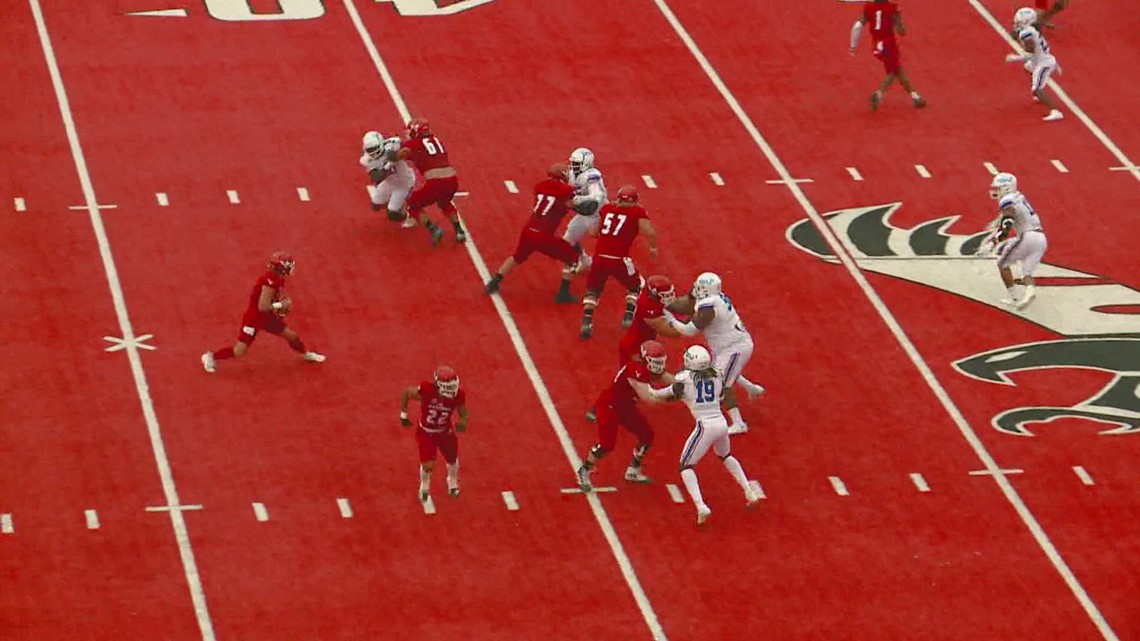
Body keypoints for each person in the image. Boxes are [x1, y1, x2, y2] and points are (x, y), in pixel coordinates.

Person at [650, 345, 761, 526]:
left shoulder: (684, 379)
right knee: (726, 456)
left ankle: (701, 506)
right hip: (721, 422)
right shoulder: (717, 375)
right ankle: (749, 491)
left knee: (686, 466)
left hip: (705, 426)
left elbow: (667, 393)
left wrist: (652, 392)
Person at [667, 273, 765, 435]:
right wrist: (667, 304)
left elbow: (689, 330)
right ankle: (752, 389)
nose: (696, 289)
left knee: (721, 383)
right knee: (723, 371)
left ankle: (739, 423)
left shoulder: (709, 308)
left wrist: (670, 319)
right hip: (727, 346)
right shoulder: (713, 298)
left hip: (734, 348)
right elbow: (689, 305)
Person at [201, 252, 325, 372]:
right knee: (239, 351)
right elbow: (263, 306)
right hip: (255, 319)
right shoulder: (270, 281)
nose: (290, 267)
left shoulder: (278, 278)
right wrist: (281, 305)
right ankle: (211, 357)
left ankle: (305, 354)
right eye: (287, 264)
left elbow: (273, 299)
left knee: (292, 336)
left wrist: (282, 304)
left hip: (267, 317)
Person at [576, 341, 671, 490]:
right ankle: (585, 469)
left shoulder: (646, 368)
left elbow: (667, 378)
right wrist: (674, 395)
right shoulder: (635, 370)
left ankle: (633, 470)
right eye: (656, 362)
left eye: (660, 362)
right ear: (645, 359)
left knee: (647, 434)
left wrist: (687, 384)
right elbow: (649, 398)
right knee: (607, 445)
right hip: (610, 406)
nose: (659, 366)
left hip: (626, 406)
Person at [484, 164, 582, 295]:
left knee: (517, 256)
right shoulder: (566, 190)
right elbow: (573, 203)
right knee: (572, 257)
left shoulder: (539, 186)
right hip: (543, 235)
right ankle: (563, 293)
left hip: (529, 230)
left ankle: (494, 282)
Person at [579, 186, 659, 339]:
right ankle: (628, 316)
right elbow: (649, 232)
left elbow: (593, 233)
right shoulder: (636, 212)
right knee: (637, 285)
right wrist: (653, 247)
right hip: (619, 259)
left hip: (599, 258)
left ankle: (586, 322)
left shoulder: (607, 209)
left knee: (593, 291)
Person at [977, 173, 1048, 310]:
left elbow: (1008, 222)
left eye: (998, 188)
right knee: (1026, 273)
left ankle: (1014, 297)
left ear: (1006, 188)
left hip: (1028, 236)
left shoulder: (1008, 199)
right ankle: (1029, 292)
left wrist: (993, 243)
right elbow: (1012, 215)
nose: (995, 191)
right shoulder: (1019, 197)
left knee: (1002, 263)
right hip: (1041, 239)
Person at [400, 366, 468, 502]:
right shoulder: (428, 390)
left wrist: (463, 421)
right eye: (448, 387)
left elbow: (462, 410)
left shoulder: (457, 395)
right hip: (427, 432)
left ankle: (452, 482)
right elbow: (407, 392)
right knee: (428, 465)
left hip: (444, 431)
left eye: (452, 386)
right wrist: (403, 414)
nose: (451, 390)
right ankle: (424, 486)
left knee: (452, 459)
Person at [395, 118, 465, 245]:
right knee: (445, 202)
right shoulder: (437, 141)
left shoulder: (414, 143)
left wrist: (392, 156)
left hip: (436, 182)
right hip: (452, 180)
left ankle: (433, 229)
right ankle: (459, 230)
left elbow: (401, 154)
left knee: (412, 203)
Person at [849, 0, 926, 111]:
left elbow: (857, 26)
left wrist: (853, 46)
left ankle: (916, 97)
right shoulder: (892, 7)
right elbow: (901, 31)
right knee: (893, 71)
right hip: (889, 44)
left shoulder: (868, 7)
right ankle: (879, 93)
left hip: (876, 45)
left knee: (897, 70)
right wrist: (899, 22)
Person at [555, 147, 608, 303]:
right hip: (585, 215)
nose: (573, 166)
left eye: (577, 163)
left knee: (610, 245)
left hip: (600, 214)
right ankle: (584, 260)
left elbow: (595, 198)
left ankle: (631, 275)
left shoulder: (592, 175)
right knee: (567, 242)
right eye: (573, 163)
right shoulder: (572, 174)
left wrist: (576, 201)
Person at [1005, 24, 1064, 121]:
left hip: (1044, 63)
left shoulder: (1026, 34)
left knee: (1037, 89)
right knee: (1028, 67)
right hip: (1040, 59)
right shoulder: (1030, 31)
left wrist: (1016, 58)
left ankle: (1055, 111)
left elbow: (1031, 53)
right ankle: (1038, 95)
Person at [360, 130, 416, 228]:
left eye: (374, 148)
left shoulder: (393, 145)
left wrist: (397, 155)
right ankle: (398, 203)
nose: (373, 152)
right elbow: (376, 177)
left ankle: (410, 215)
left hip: (404, 182)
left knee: (392, 214)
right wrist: (386, 167)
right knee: (375, 206)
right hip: (389, 183)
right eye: (370, 149)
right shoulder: (367, 159)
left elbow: (408, 149)